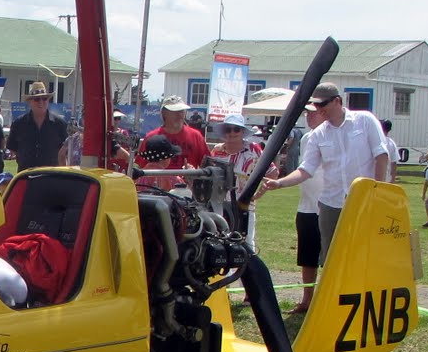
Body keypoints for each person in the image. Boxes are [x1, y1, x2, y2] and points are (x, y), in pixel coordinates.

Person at [256, 82, 388, 266]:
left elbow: (381, 155)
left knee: (362, 254)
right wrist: (279, 183)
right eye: (315, 106)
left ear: (337, 101)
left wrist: (377, 190)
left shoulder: (365, 120)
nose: (318, 109)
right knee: (331, 259)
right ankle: (332, 294)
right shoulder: (317, 135)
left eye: (321, 104)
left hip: (364, 201)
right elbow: (306, 169)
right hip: (330, 204)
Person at [291, 105, 326, 313]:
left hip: (330, 205)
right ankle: (307, 300)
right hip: (307, 205)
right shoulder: (306, 139)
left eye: (313, 112)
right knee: (307, 256)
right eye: (306, 112)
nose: (308, 116)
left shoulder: (334, 136)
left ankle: (327, 299)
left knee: (331, 257)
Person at [136, 94, 210, 192]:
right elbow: (140, 167)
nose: (180, 115)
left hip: (187, 193)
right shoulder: (152, 137)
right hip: (154, 192)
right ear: (164, 113)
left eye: (182, 111)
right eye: (175, 111)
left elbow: (208, 167)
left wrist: (194, 172)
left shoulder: (196, 136)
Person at [213, 113, 262, 248]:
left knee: (246, 244)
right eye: (228, 129)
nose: (232, 133)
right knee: (221, 241)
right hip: (221, 205)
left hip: (245, 205)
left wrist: (259, 193)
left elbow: (272, 172)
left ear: (242, 131)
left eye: (236, 129)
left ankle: (248, 269)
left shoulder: (253, 149)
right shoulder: (217, 151)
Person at [6, 82, 67, 170]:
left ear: (48, 101)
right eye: (37, 99)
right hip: (26, 177)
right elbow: (12, 148)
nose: (41, 102)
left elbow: (65, 151)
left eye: (44, 99)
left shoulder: (60, 124)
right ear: (30, 102)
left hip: (51, 177)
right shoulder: (18, 124)